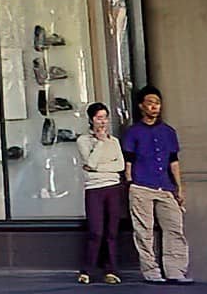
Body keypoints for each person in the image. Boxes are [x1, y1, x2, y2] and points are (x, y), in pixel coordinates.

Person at [121, 87, 191, 285]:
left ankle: (176, 270)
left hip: (165, 186)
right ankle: (151, 271)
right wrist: (130, 182)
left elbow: (173, 161)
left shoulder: (168, 132)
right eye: (150, 102)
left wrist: (179, 188)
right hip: (141, 185)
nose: (154, 106)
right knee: (144, 231)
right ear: (141, 106)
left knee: (174, 228)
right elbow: (129, 160)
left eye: (157, 103)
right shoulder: (133, 132)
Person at [76, 102, 127, 285]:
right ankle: (87, 270)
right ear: (91, 119)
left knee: (111, 231)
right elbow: (90, 163)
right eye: (99, 118)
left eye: (105, 117)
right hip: (94, 189)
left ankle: (111, 270)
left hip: (112, 187)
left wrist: (99, 167)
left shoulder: (114, 142)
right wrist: (99, 143)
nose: (103, 122)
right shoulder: (83, 141)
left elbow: (120, 166)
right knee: (96, 231)